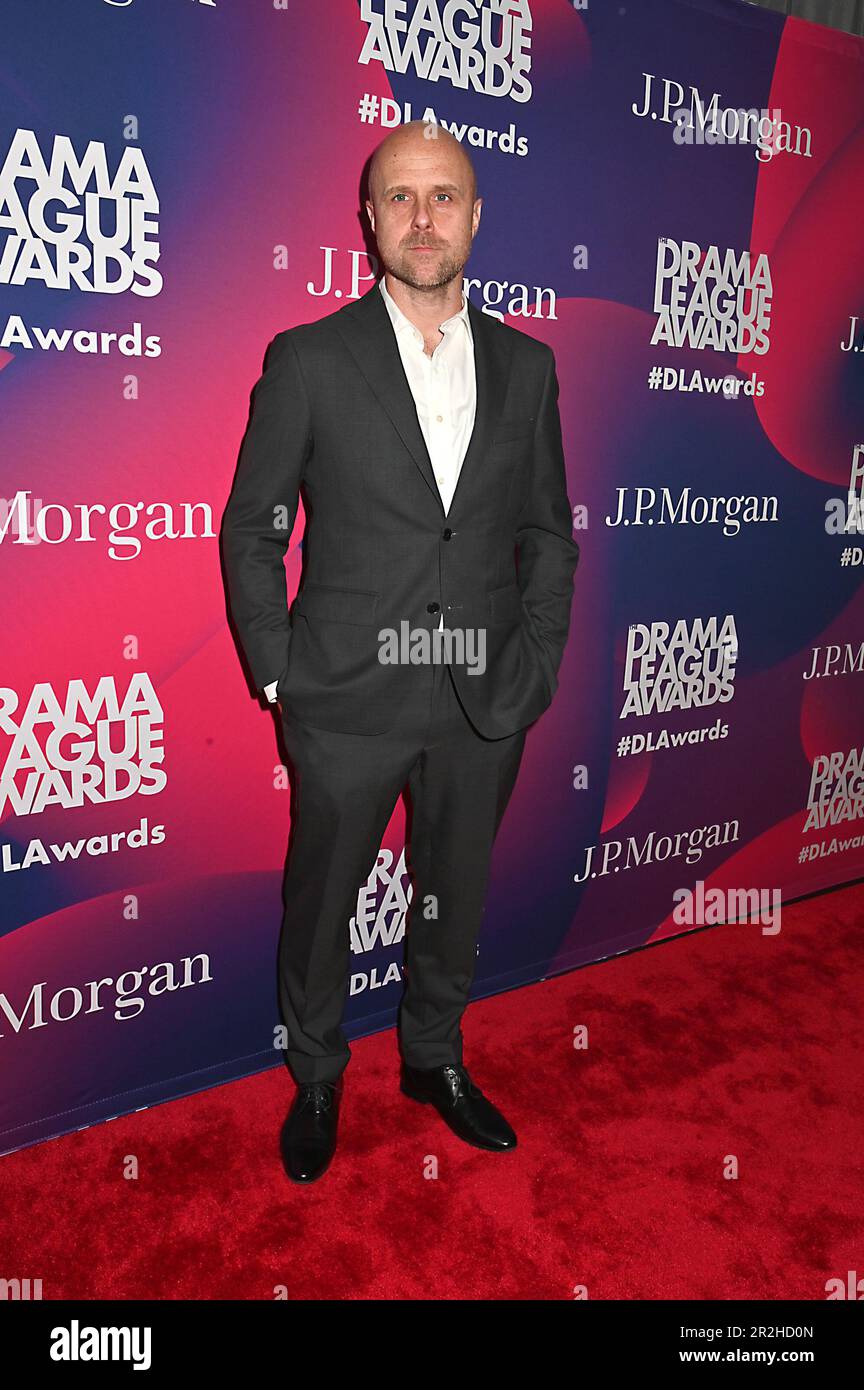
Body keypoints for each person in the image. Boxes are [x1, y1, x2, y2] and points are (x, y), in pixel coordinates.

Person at [220, 120, 579, 1183]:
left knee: (451, 894)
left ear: (476, 215)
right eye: (403, 198)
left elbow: (549, 532)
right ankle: (319, 1073)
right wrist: (281, 672)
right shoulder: (310, 359)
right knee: (321, 899)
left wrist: (540, 655)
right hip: (344, 694)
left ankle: (432, 1058)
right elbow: (252, 527)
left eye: (446, 196)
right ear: (370, 218)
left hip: (484, 697)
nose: (425, 218)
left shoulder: (529, 366)